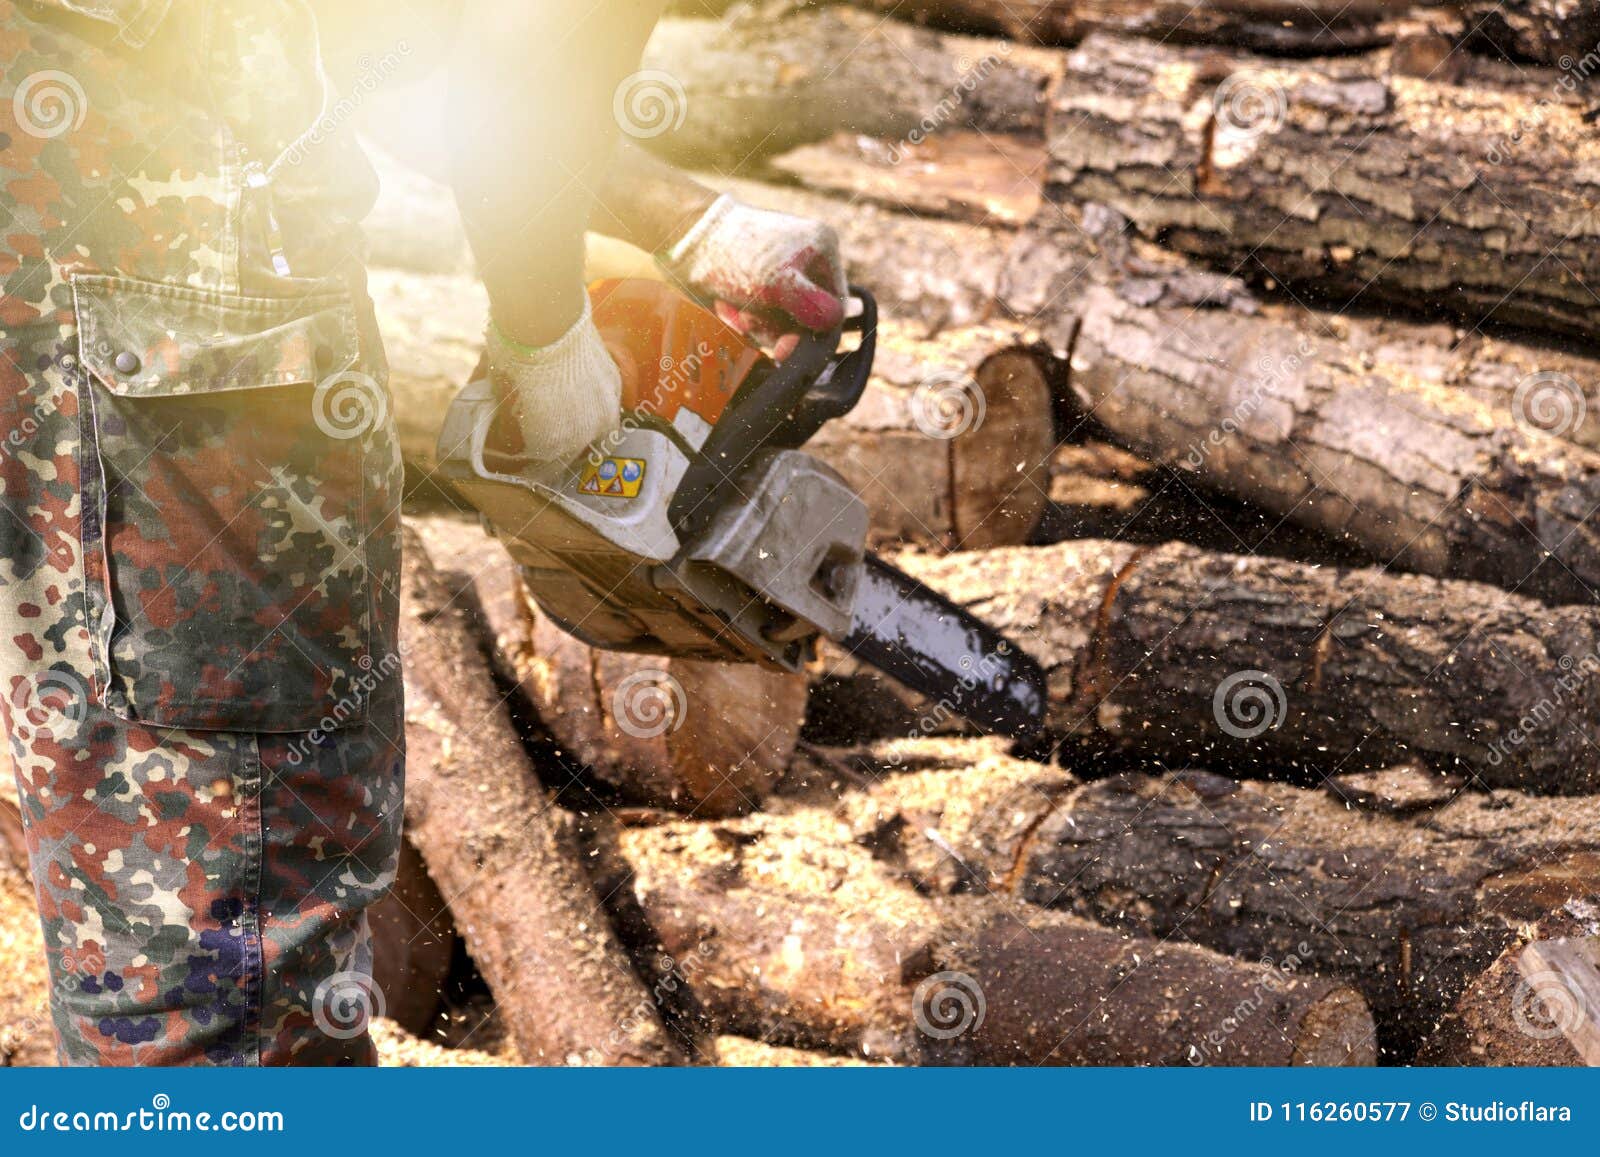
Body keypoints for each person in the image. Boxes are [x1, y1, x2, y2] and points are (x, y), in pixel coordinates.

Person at [0, 0, 845, 1065]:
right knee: (234, 931)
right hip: (189, 343)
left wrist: (684, 223)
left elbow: (376, 47)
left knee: (136, 877)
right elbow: (518, 47)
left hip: (59, 260)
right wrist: (547, 342)